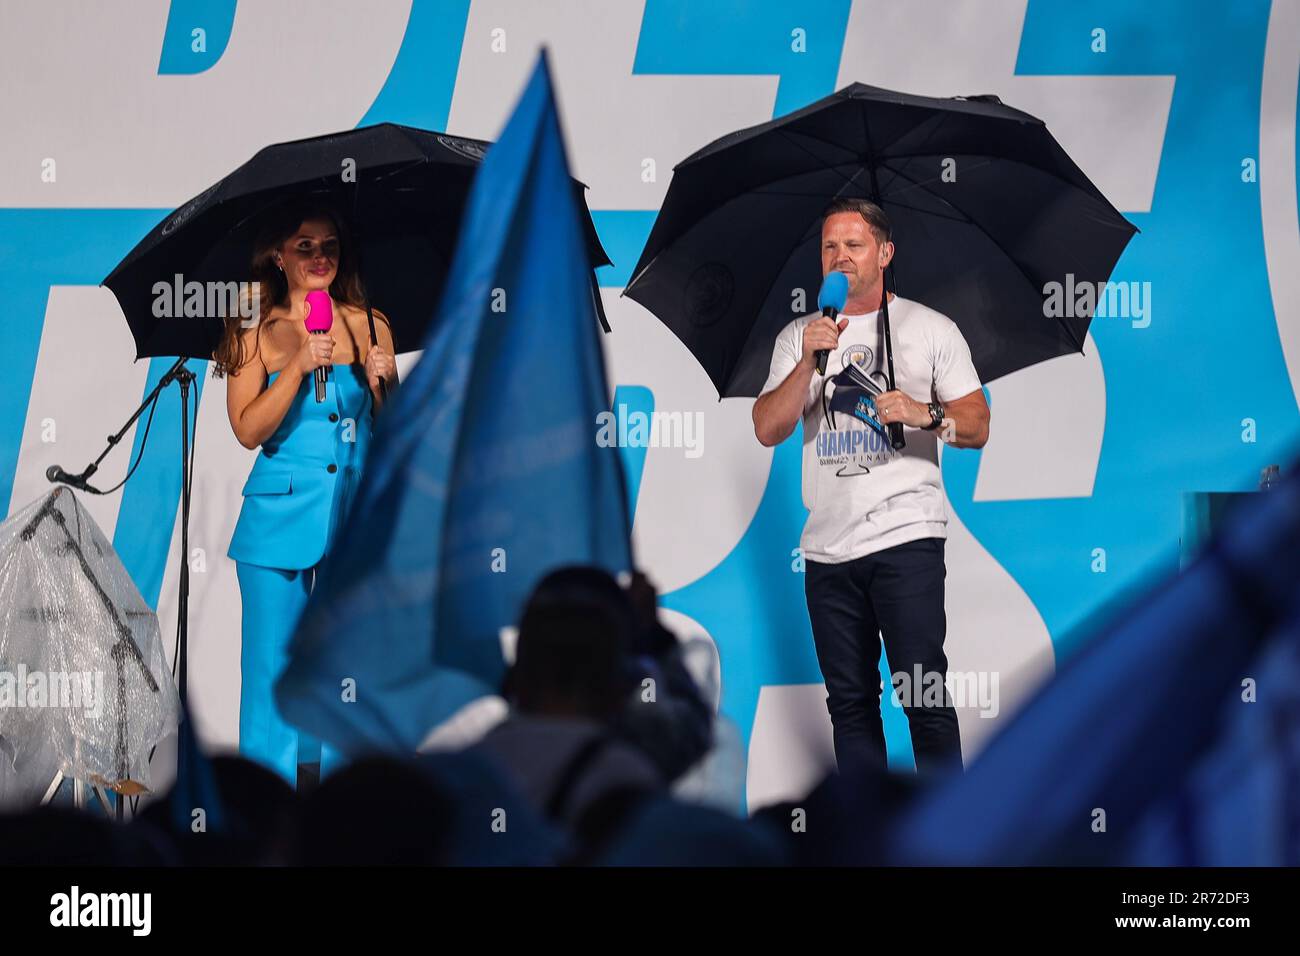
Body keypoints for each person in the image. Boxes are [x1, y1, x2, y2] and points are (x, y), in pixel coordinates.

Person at [751, 198, 990, 776]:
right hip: (828, 548)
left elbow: (976, 425)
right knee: (850, 705)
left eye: (853, 246)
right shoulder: (800, 338)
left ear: (884, 253)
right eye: (830, 247)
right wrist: (808, 360)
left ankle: (947, 836)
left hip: (906, 534)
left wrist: (923, 412)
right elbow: (767, 428)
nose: (840, 258)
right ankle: (868, 841)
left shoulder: (931, 328)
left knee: (922, 695)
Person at [211, 201, 398, 787]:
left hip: (356, 523)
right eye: (305, 246)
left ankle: (345, 825)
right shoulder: (251, 326)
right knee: (274, 675)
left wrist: (383, 385)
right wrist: (293, 368)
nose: (321, 257)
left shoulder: (372, 323)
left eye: (330, 245)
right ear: (278, 255)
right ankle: (267, 824)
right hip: (277, 525)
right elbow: (247, 430)